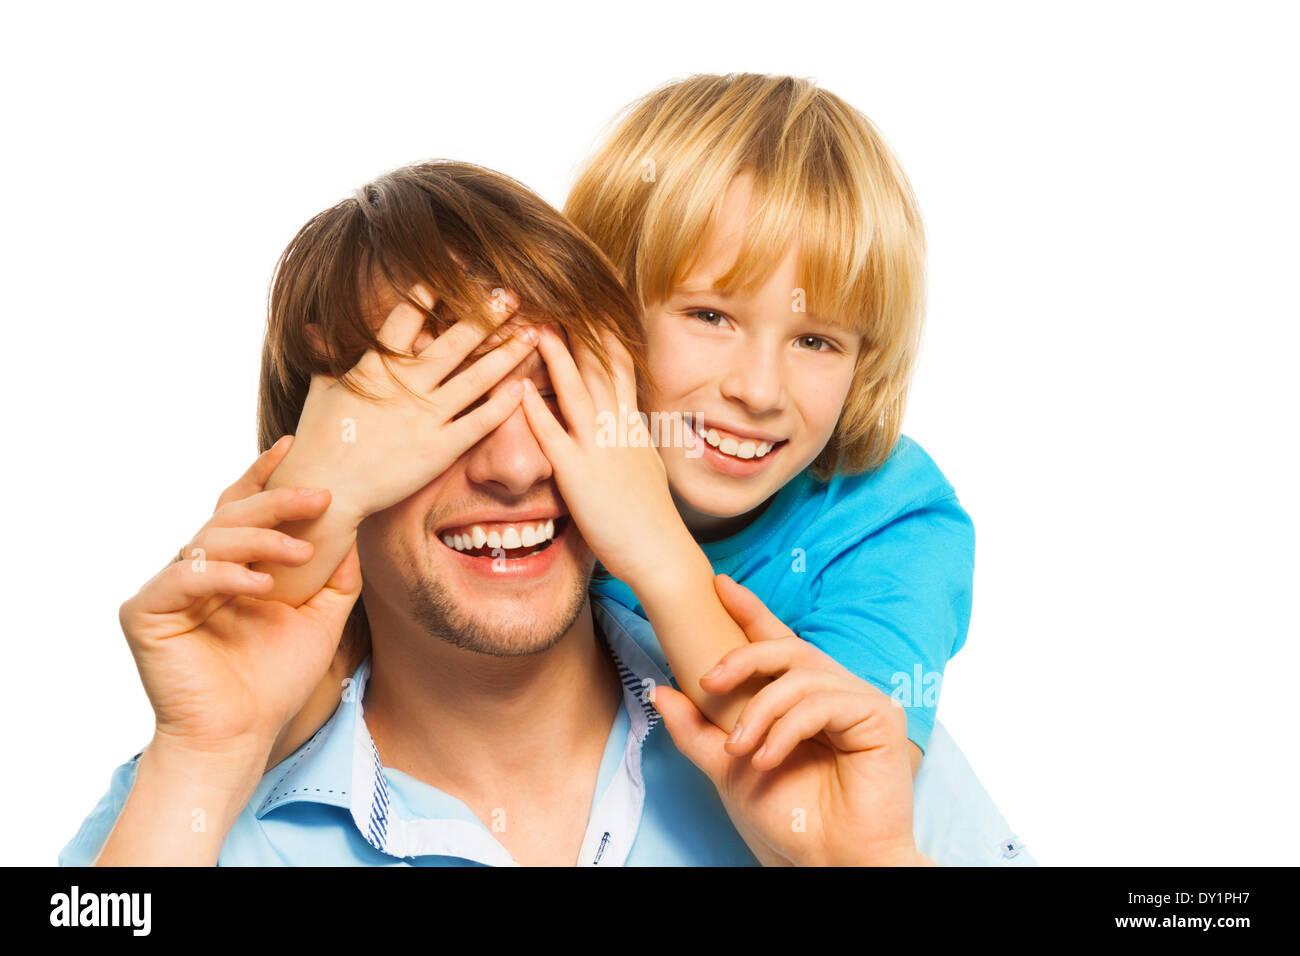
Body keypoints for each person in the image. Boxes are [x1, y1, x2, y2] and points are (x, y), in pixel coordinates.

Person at [60, 161, 1031, 865]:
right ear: (309, 462)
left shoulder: (830, 737)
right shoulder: (185, 803)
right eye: (443, 408)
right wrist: (204, 761)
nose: (519, 463)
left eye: (560, 399)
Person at [274, 73, 975, 778]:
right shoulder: (531, 473)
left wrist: (653, 548)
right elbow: (300, 717)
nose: (759, 391)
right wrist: (321, 489)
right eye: (709, 317)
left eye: (816, 341)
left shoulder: (898, 525)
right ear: (598, 307)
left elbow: (830, 781)